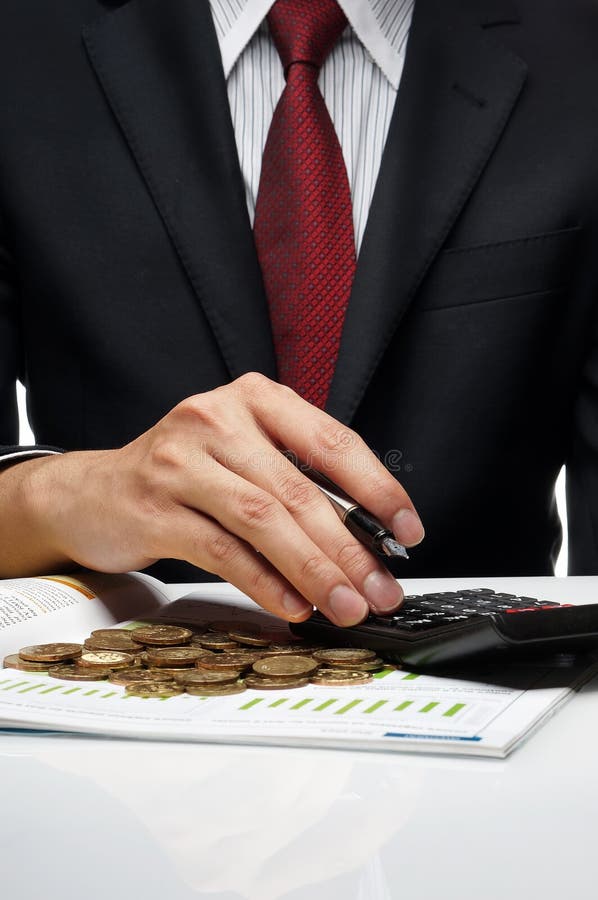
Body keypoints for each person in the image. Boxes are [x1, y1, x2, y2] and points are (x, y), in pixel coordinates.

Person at [0, 0, 597, 628]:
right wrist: (74, 493)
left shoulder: (579, 52)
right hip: (117, 693)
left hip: (498, 696)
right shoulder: (22, 41)